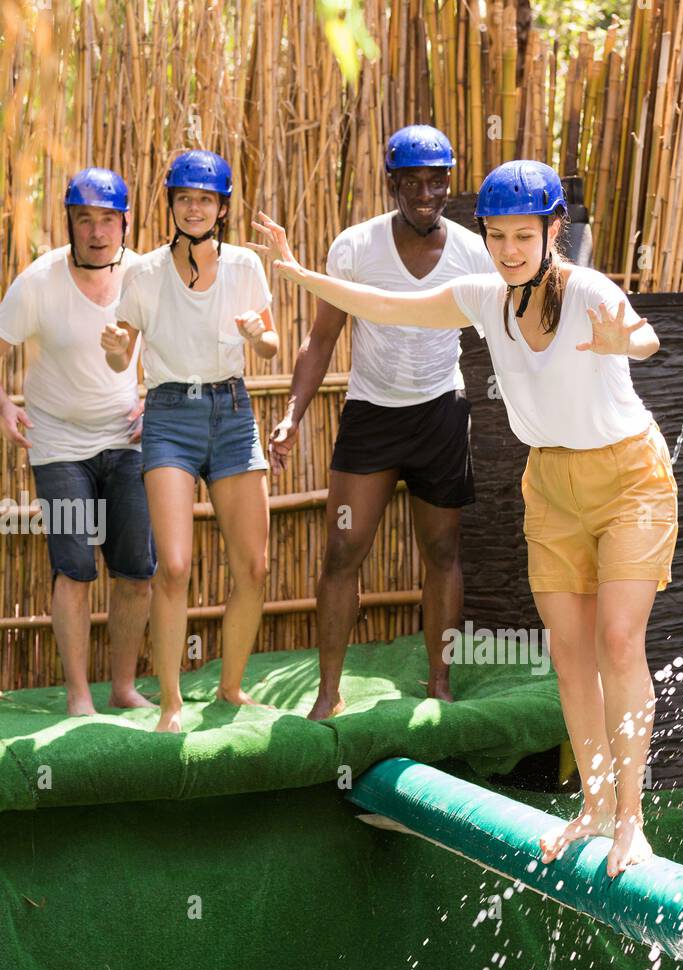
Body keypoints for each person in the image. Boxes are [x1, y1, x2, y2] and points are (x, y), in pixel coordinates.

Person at [251, 159, 677, 877]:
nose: (510, 249)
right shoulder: (483, 296)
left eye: (524, 235)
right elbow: (382, 305)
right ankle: (594, 808)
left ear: (552, 232)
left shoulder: (587, 293)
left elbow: (644, 339)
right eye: (498, 235)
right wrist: (298, 275)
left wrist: (622, 342)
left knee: (615, 638)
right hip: (550, 483)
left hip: (629, 477)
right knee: (568, 653)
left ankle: (632, 819)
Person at [267, 124, 492, 719]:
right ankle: (327, 693)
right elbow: (319, 341)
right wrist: (292, 413)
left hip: (441, 414)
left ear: (449, 182)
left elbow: (510, 338)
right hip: (371, 416)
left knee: (442, 550)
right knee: (342, 549)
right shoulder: (355, 249)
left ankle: (439, 685)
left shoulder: (474, 253)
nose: (426, 192)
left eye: (437, 180)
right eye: (412, 180)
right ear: (391, 183)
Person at [103, 149, 279, 734]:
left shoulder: (247, 268)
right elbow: (122, 353)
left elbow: (272, 346)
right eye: (184, 198)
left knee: (253, 566)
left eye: (205, 198)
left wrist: (260, 337)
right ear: (171, 205)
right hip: (170, 415)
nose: (195, 207)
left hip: (233, 412)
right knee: (173, 566)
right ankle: (173, 700)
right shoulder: (144, 273)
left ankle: (230, 687)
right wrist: (110, 345)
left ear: (222, 207)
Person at [0, 167, 155, 715]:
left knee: (137, 572)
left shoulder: (145, 274)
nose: (96, 231)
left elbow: (182, 345)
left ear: (125, 222)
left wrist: (152, 400)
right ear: (69, 222)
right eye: (84, 219)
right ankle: (78, 694)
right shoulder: (39, 280)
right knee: (75, 568)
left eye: (107, 219)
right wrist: (3, 404)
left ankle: (122, 687)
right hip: (60, 445)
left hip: (128, 441)